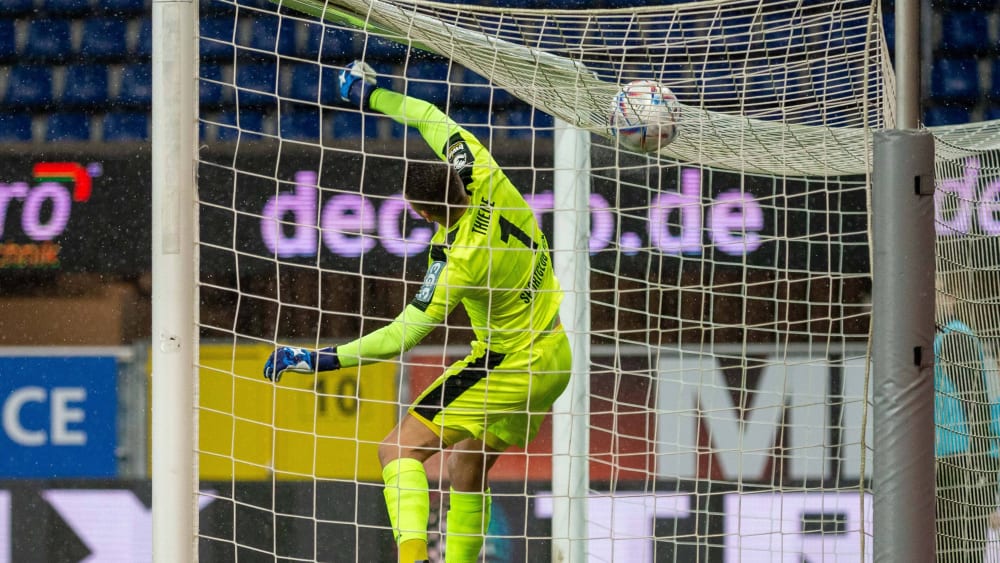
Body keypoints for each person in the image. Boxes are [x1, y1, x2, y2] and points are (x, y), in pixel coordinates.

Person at [263, 61, 572, 563]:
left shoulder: (457, 262)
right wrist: (374, 95)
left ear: (421, 213)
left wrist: (322, 359)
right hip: (556, 354)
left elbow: (403, 334)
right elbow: (428, 114)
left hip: (512, 364)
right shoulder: (483, 171)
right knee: (467, 465)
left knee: (397, 451)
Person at [934, 277, 1000, 562]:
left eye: (934, 292)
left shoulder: (956, 337)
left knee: (959, 555)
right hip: (951, 461)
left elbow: (976, 406)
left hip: (963, 462)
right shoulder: (940, 337)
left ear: (951, 298)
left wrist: (982, 472)